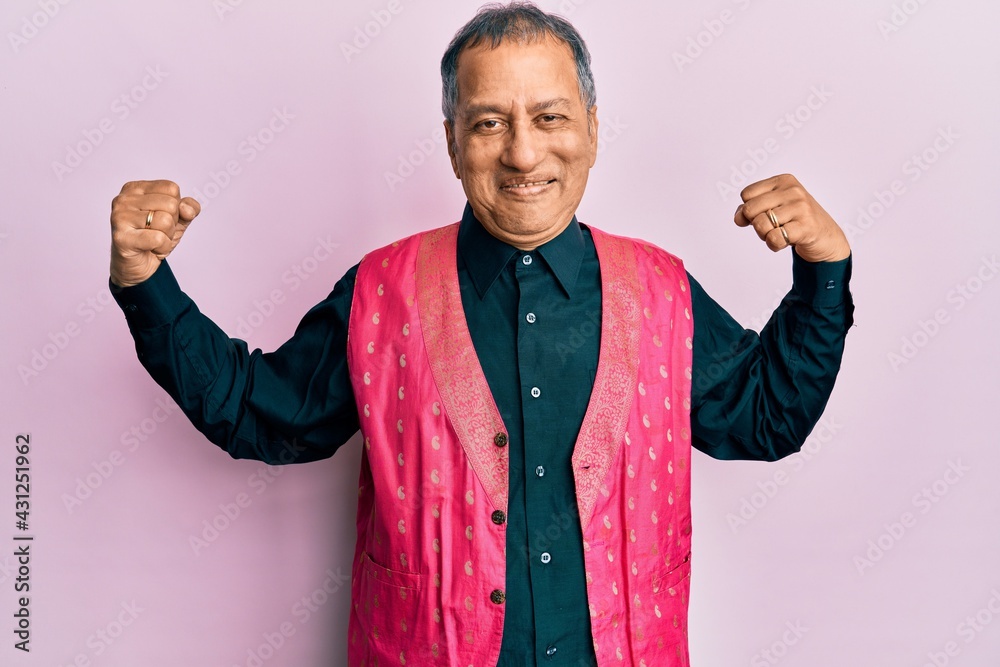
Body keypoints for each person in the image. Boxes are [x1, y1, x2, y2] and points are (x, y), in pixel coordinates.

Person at [108, 3, 853, 665]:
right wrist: (147, 285)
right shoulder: (381, 292)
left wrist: (823, 269)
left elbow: (767, 416)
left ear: (593, 130)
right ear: (452, 140)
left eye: (550, 117)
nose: (523, 153)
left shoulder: (660, 291)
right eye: (489, 121)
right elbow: (260, 413)